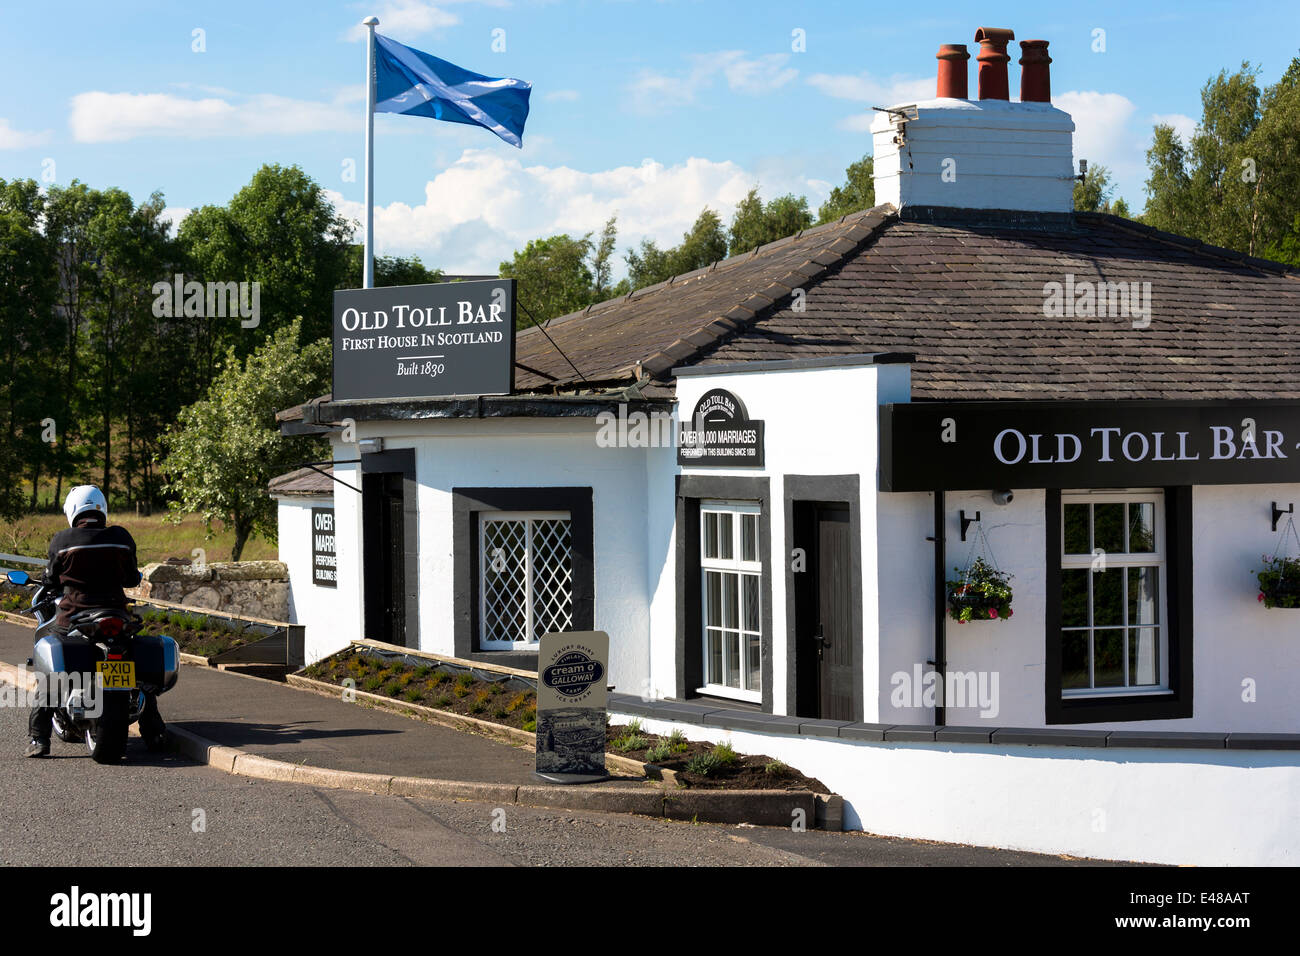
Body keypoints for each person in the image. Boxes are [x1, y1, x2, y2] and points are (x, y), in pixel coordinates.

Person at [24, 486, 166, 757]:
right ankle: (155, 732)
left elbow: (50, 579)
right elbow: (132, 579)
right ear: (102, 509)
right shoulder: (122, 537)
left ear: (73, 511)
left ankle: (38, 738)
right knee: (136, 672)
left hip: (73, 614)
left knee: (48, 671)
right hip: (117, 614)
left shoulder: (62, 539)